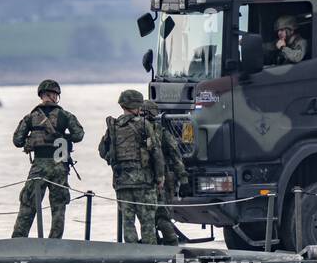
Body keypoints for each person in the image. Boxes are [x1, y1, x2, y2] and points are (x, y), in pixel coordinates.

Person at [12, 79, 84, 239]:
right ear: (55, 95)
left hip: (38, 166)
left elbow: (17, 141)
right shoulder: (65, 116)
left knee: (28, 204)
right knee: (58, 207)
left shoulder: (30, 117)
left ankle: (18, 240)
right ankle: (55, 241)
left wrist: (32, 139)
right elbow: (79, 135)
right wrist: (64, 137)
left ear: (41, 95)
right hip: (60, 166)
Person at [97, 89, 164, 243]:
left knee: (128, 223)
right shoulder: (144, 124)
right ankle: (151, 259)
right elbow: (156, 152)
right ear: (137, 106)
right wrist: (160, 177)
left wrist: (114, 161)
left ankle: (133, 258)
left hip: (122, 183)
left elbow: (102, 150)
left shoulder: (113, 126)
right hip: (144, 183)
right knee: (147, 224)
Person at [143, 100, 186, 245]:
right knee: (162, 216)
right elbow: (175, 156)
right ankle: (172, 245)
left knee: (149, 217)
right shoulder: (161, 131)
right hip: (162, 179)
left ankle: (156, 244)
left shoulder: (137, 130)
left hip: (143, 180)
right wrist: (183, 178)